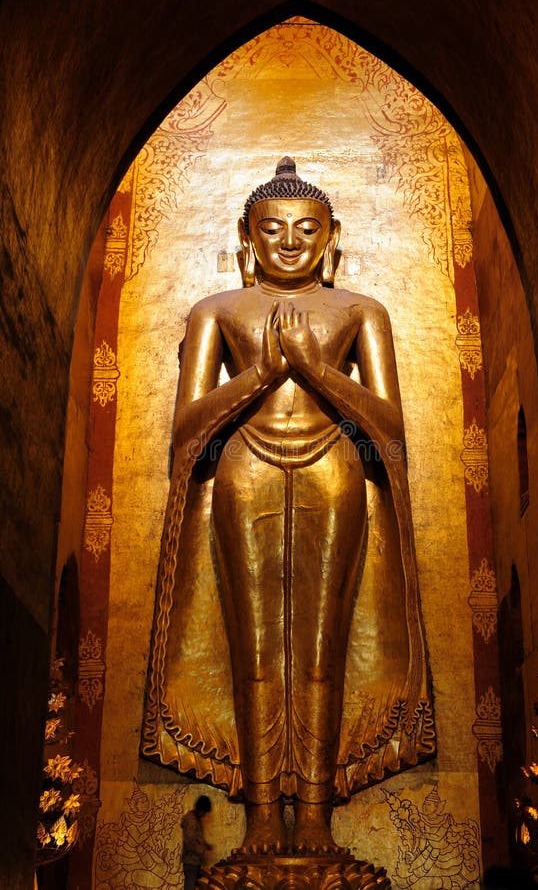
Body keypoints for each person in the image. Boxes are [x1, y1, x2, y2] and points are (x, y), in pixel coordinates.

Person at [143, 158, 434, 855]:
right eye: (272, 229)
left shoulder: (361, 311)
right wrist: (265, 374)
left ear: (332, 238)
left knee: (322, 649)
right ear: (248, 239)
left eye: (308, 228)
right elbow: (187, 431)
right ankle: (262, 820)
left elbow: (390, 428)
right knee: (254, 648)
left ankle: (315, 822)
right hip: (246, 471)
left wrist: (313, 367)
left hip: (334, 469)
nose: (291, 241)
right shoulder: (215, 312)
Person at [181, 795, 212, 890]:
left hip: (193, 860)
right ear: (200, 809)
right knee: (190, 886)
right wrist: (201, 849)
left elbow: (195, 839)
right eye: (204, 812)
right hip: (191, 861)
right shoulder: (191, 821)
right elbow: (190, 842)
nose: (204, 815)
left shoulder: (194, 820)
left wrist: (205, 845)